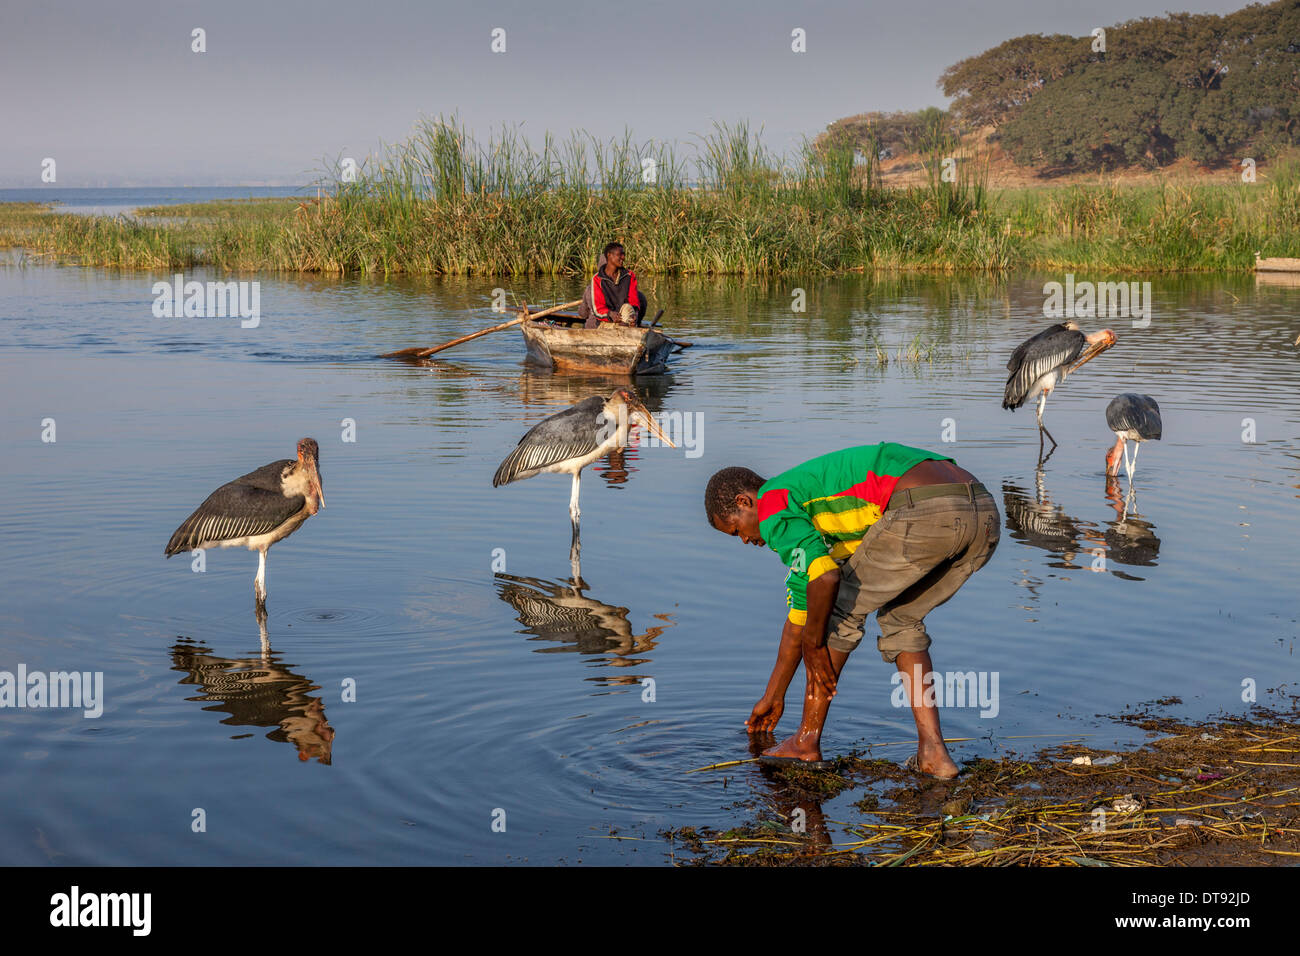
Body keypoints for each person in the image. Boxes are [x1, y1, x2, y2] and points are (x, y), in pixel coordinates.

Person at [704, 444, 1000, 778]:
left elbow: (827, 580)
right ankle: (933, 754)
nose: (743, 540)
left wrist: (816, 648)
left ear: (745, 502)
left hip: (925, 508)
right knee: (901, 619)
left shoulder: (773, 501)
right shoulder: (819, 520)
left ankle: (806, 741)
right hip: (982, 511)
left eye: (735, 529)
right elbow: (800, 616)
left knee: (840, 612)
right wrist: (773, 696)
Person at [579, 242, 646, 329]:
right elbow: (596, 310)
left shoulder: (629, 275)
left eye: (623, 254)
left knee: (631, 306)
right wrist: (610, 314)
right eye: (620, 255)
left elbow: (634, 301)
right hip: (601, 323)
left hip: (624, 320)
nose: (623, 258)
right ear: (609, 256)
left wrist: (635, 316)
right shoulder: (597, 280)